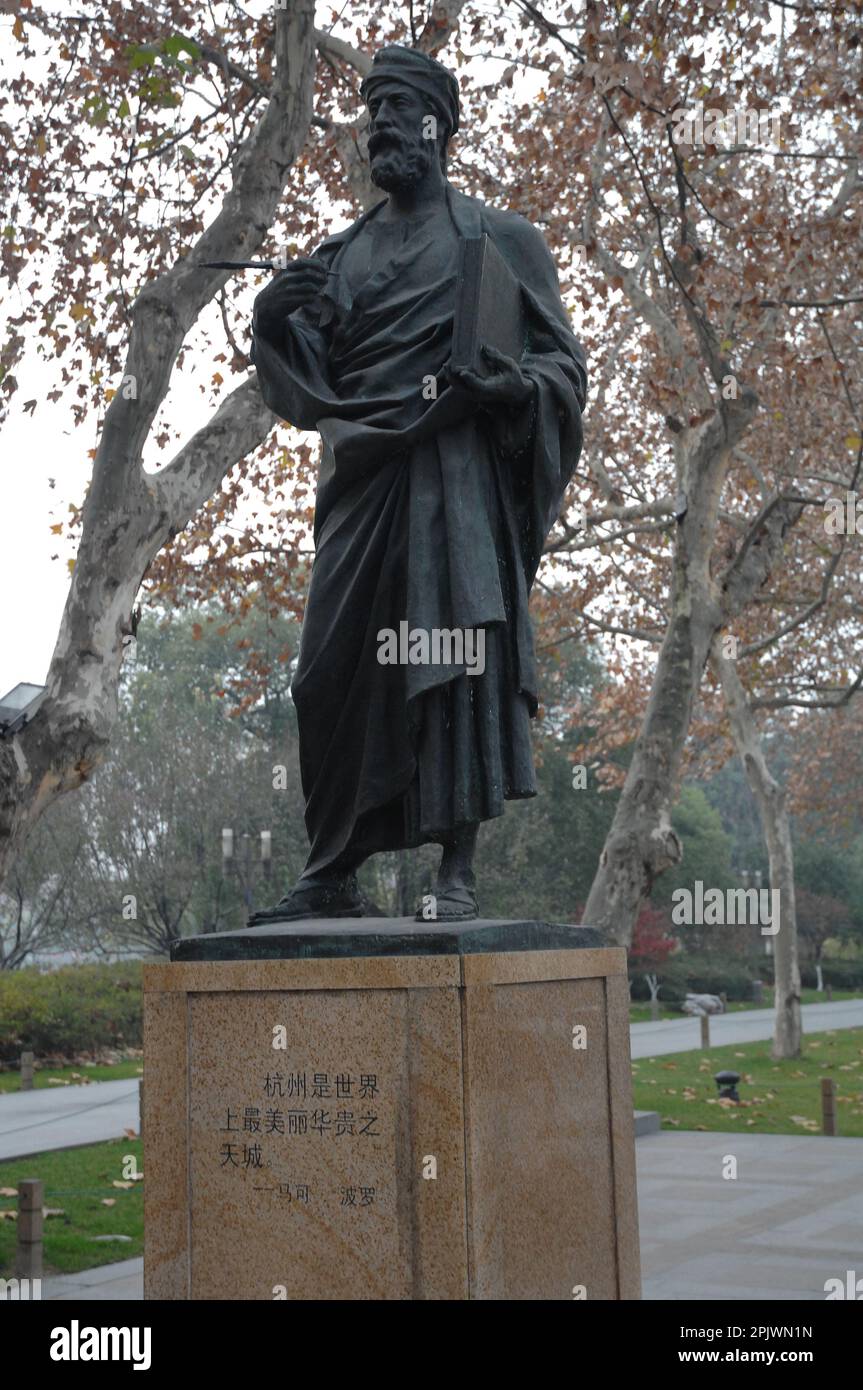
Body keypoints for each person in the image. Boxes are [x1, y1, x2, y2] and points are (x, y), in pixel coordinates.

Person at [249, 44, 586, 924]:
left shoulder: (498, 238)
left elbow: (561, 366)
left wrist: (513, 389)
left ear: (436, 126)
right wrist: (273, 320)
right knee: (323, 675)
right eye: (370, 117)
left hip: (455, 475)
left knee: (450, 654)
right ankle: (333, 867)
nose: (377, 132)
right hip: (362, 481)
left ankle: (455, 869)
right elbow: (306, 384)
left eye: (393, 113)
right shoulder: (338, 255)